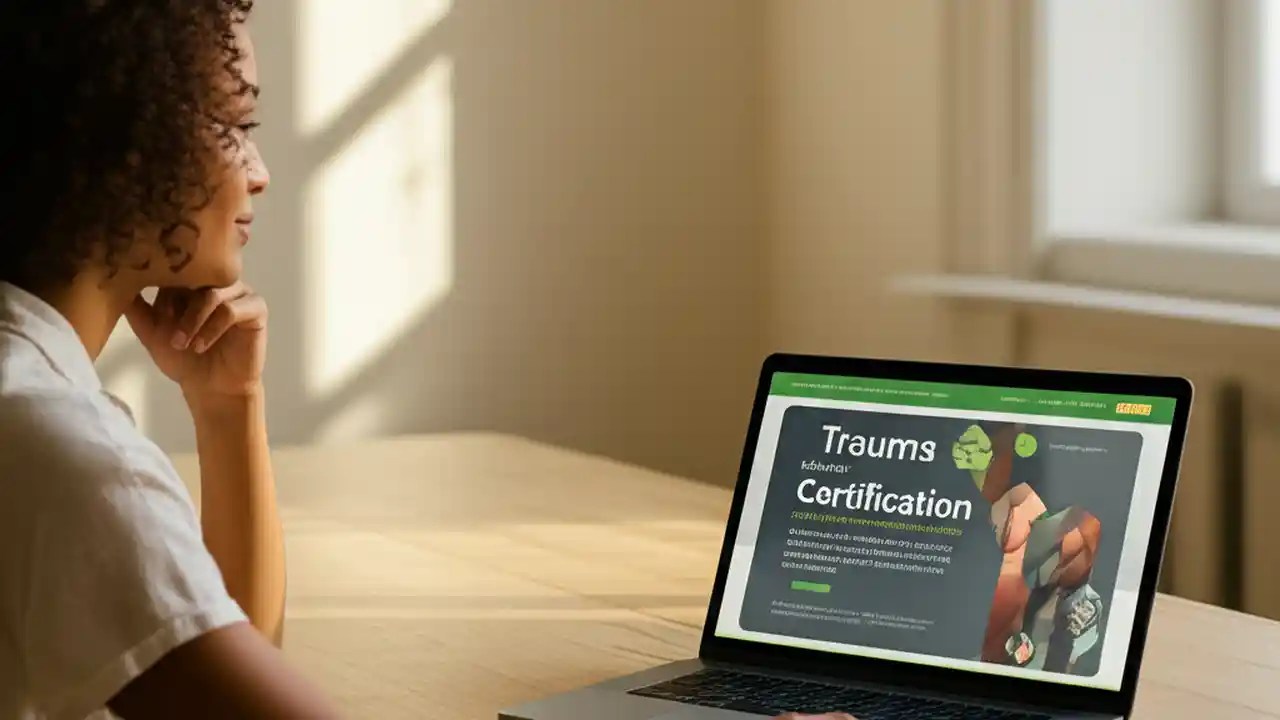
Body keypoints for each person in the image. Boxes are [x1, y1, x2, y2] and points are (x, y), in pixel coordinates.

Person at [0, 2, 856, 719]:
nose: (258, 172)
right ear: (116, 144)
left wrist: (229, 408)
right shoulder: (63, 452)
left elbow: (230, 670)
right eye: (235, 124)